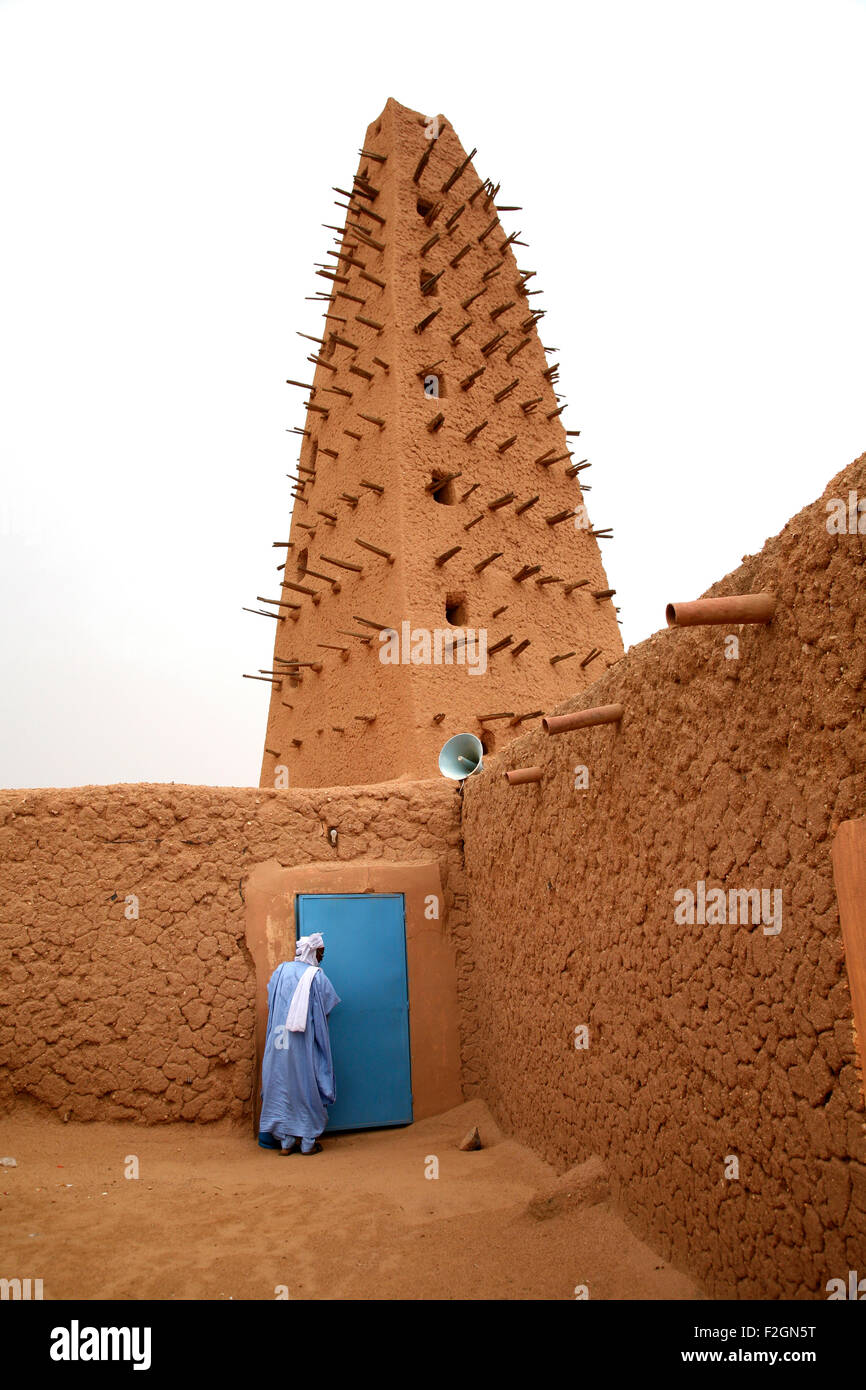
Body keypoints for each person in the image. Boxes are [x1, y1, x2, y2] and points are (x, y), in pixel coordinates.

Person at [258, 932, 340, 1156]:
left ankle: (285, 1142)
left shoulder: (280, 971)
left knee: (282, 1084)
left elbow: (271, 999)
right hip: (302, 1042)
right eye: (321, 953)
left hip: (279, 1041)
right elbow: (327, 1005)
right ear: (312, 951)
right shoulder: (317, 977)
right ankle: (307, 1143)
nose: (322, 958)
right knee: (307, 1085)